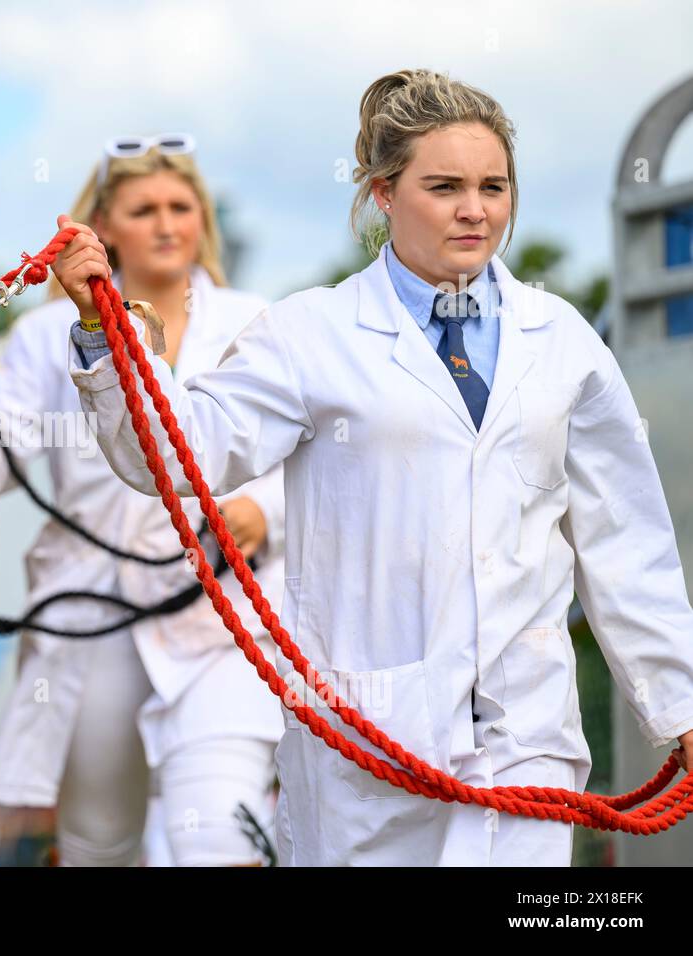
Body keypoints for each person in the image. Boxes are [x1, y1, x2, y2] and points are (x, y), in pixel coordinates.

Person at [55, 69, 693, 867]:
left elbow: (624, 537)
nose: (476, 209)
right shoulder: (311, 334)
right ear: (383, 193)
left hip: (525, 740)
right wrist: (99, 331)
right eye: (445, 186)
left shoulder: (559, 338)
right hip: (366, 742)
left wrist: (680, 703)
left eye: (495, 186)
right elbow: (180, 451)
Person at [0, 135, 286, 866]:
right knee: (99, 843)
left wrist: (268, 512)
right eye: (143, 208)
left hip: (225, 614)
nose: (166, 223)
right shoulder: (39, 336)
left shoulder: (260, 321)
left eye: (181, 206)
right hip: (94, 614)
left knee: (217, 832)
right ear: (101, 227)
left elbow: (306, 451)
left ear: (202, 221)